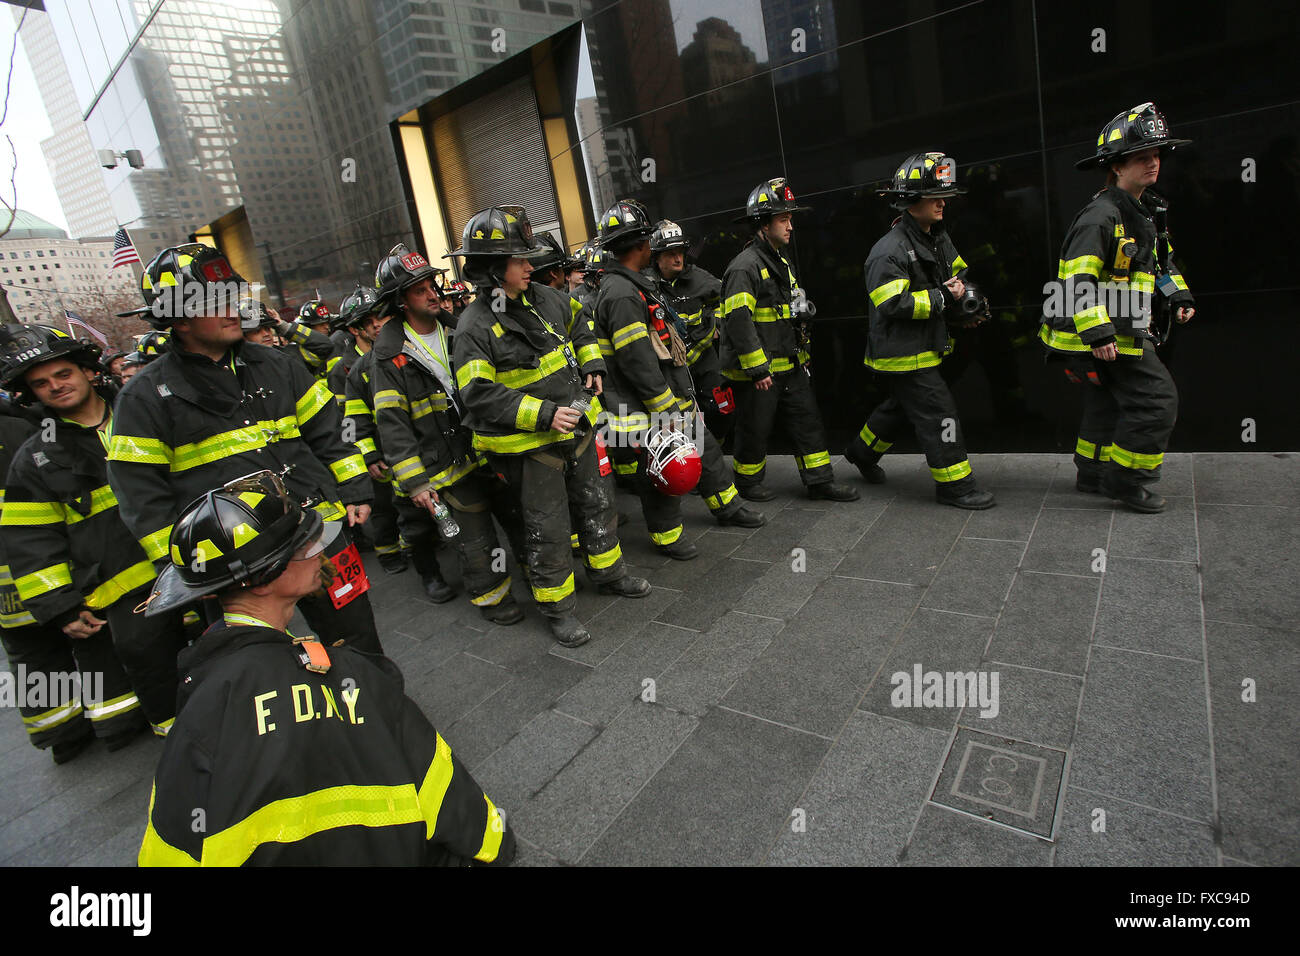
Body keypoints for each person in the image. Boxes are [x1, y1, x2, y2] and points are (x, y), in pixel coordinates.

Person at [137, 475, 515, 866]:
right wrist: (494, 842)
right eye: (303, 546)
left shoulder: (197, 708)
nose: (320, 551)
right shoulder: (352, 677)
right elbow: (440, 787)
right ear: (263, 579)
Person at [106, 244, 382, 652]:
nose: (232, 308)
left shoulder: (278, 364)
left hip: (318, 535)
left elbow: (329, 431)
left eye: (231, 296)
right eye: (213, 302)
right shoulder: (144, 398)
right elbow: (140, 495)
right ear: (177, 318)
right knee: (261, 657)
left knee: (356, 634)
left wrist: (356, 487)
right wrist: (186, 570)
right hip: (233, 565)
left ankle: (376, 704)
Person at [450, 205, 651, 648]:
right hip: (534, 447)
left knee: (598, 504)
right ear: (492, 269)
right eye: (520, 260)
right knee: (548, 526)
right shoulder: (474, 327)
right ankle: (558, 609)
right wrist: (543, 414)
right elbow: (479, 394)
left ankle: (609, 572)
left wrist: (593, 361)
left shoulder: (546, 298)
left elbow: (582, 324)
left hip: (578, 434)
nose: (531, 265)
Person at [0, 324, 181, 746]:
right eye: (41, 384)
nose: (55, 387)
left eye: (63, 374)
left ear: (87, 371)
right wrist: (59, 607)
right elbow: (31, 540)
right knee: (148, 660)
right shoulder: (36, 457)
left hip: (192, 559)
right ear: (31, 394)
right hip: (124, 589)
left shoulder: (145, 410)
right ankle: (181, 742)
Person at [1040, 102, 1195, 514]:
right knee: (1157, 400)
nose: (1153, 163)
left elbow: (1162, 263)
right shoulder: (1101, 216)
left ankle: (1091, 472)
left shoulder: (1147, 212)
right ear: (1117, 166)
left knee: (1107, 401)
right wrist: (1097, 332)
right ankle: (1127, 480)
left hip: (1124, 327)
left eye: (1157, 154)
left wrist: (1177, 294)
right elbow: (1076, 282)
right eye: (1142, 157)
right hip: (1102, 333)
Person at [594, 199, 765, 559]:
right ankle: (668, 536)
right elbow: (637, 360)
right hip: (650, 406)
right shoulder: (622, 294)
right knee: (660, 470)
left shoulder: (632, 285)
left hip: (670, 397)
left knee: (704, 448)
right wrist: (665, 408)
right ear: (642, 245)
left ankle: (727, 506)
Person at [372, 243, 525, 620]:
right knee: (475, 541)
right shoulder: (389, 355)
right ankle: (494, 600)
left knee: (519, 519)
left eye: (431, 285)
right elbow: (393, 424)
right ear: (400, 301)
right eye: (420, 290)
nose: (432, 294)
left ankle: (542, 582)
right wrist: (416, 483)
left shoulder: (459, 329)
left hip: (487, 449)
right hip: (445, 466)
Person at [843, 152, 996, 510]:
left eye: (943, 195)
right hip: (901, 354)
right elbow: (893, 305)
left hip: (924, 346)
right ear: (912, 201)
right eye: (933, 197)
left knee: (899, 408)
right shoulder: (888, 251)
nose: (942, 203)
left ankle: (861, 452)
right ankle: (956, 485)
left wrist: (968, 305)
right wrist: (945, 297)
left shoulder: (937, 237)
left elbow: (959, 279)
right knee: (939, 414)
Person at [719, 178, 859, 503]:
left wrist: (804, 350)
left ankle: (820, 481)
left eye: (790, 219)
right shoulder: (744, 267)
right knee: (755, 429)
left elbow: (790, 311)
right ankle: (748, 482)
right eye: (784, 219)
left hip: (791, 365)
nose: (790, 226)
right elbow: (738, 321)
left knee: (807, 422)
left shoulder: (781, 262)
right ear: (763, 224)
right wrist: (757, 369)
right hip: (761, 373)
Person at [332, 285, 405, 572]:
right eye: (369, 320)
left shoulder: (394, 352)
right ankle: (388, 552)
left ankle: (414, 543)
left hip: (399, 439)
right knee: (383, 505)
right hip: (373, 445)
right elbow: (346, 421)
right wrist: (368, 455)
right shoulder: (344, 370)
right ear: (355, 329)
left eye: (380, 316)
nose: (377, 324)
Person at [646, 218, 733, 441]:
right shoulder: (647, 285)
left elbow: (728, 301)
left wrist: (718, 327)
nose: (678, 258)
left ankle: (717, 448)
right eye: (670, 253)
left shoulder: (701, 279)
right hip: (671, 366)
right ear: (657, 257)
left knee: (720, 408)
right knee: (679, 418)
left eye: (680, 252)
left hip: (704, 360)